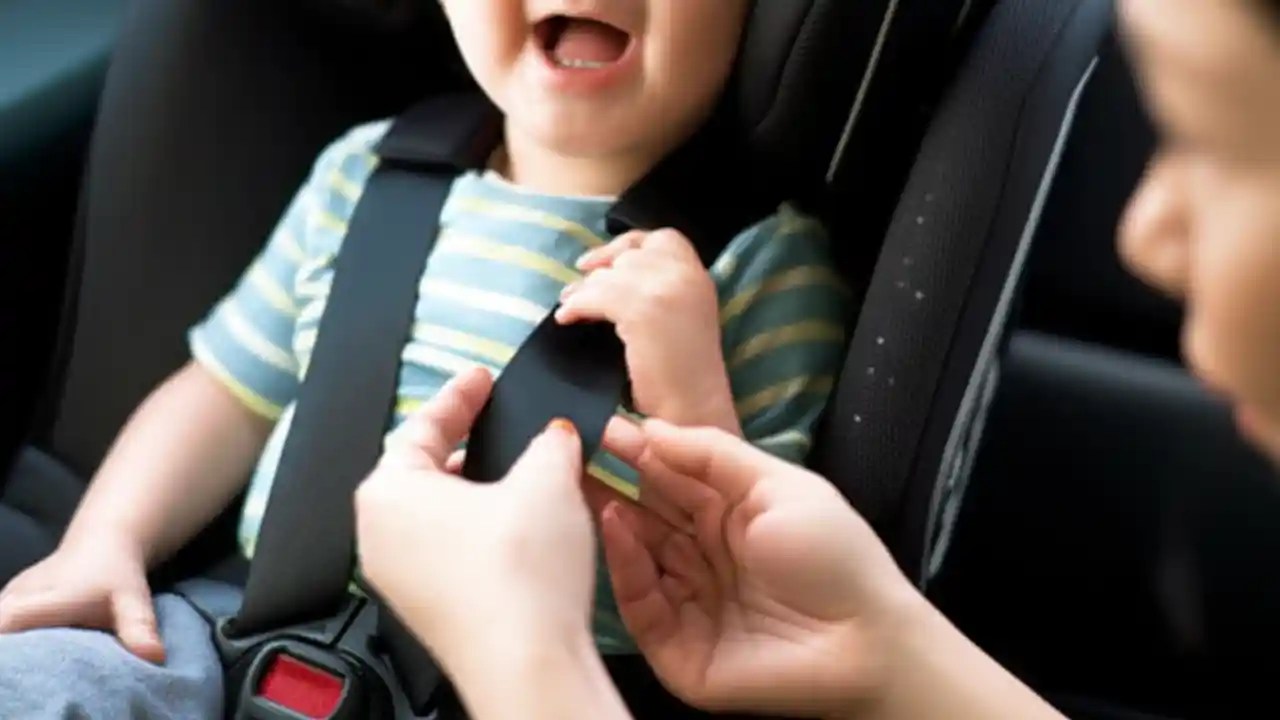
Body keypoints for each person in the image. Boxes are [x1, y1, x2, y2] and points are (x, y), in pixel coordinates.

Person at [354, 0, 1280, 717]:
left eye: (1211, 140)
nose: (1142, 236)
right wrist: (889, 656)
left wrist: (523, 656)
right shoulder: (378, 177)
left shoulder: (754, 262)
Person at [0, 0, 850, 717]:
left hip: (530, 685)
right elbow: (226, 393)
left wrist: (690, 385)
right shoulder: (369, 172)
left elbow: (749, 579)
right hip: (242, 628)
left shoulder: (757, 261)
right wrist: (103, 542)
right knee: (46, 682)